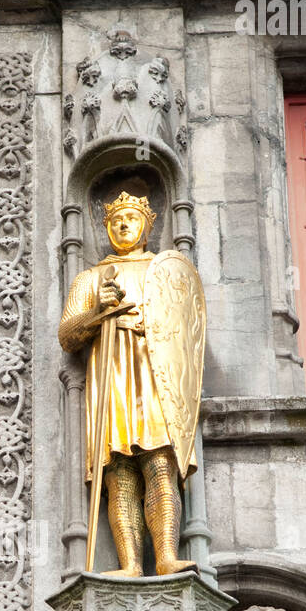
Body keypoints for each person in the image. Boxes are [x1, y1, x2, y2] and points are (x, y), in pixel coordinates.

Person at [58, 189, 203, 577]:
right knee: (118, 472)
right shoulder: (91, 278)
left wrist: (148, 327)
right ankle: (130, 564)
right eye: (116, 219)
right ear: (106, 227)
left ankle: (167, 555)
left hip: (155, 380)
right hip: (113, 381)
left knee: (159, 465)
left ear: (146, 226)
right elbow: (68, 336)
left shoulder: (164, 272)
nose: (124, 224)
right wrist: (96, 311)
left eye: (132, 218)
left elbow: (187, 332)